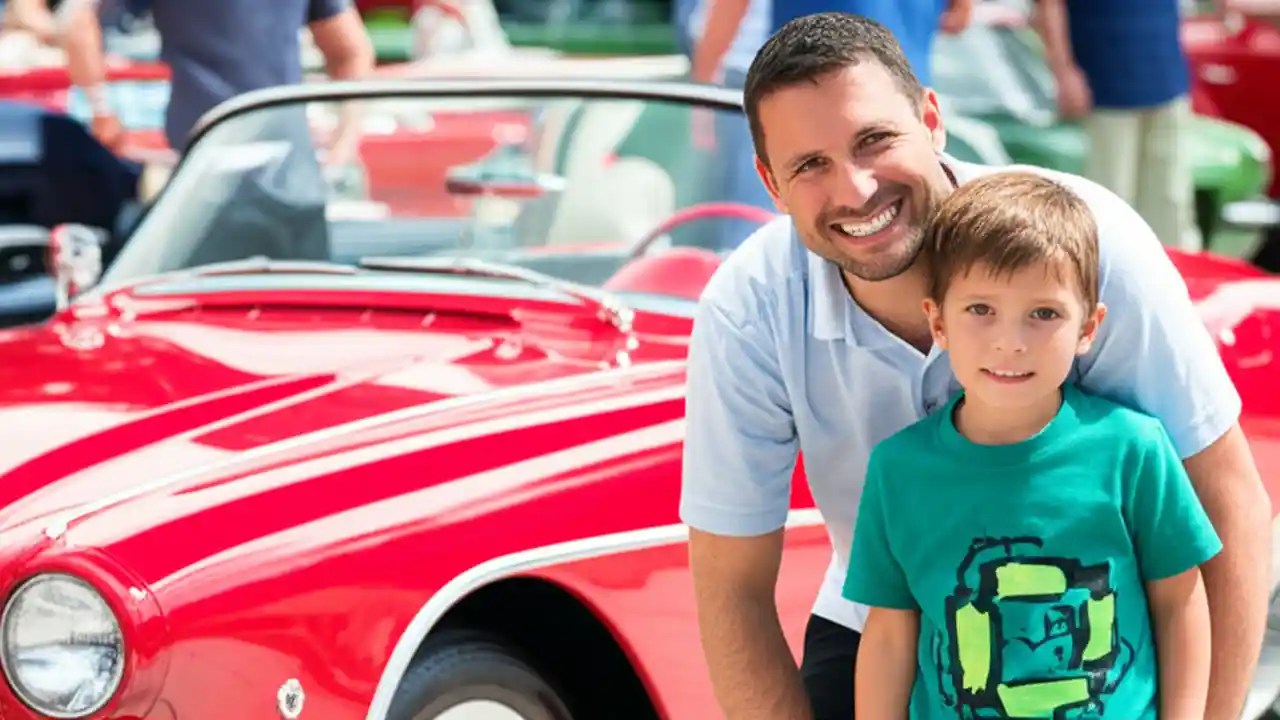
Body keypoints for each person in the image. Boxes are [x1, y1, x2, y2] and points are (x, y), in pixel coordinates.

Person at [679, 11, 1269, 720]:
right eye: (810, 165)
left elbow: (1227, 498)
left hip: (1104, 642)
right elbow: (731, 587)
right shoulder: (749, 310)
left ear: (931, 120)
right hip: (887, 619)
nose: (858, 189)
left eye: (875, 139)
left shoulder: (1087, 245)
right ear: (771, 185)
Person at [843, 170, 1220, 718]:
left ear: (1088, 327)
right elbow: (889, 635)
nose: (1010, 342)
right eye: (980, 310)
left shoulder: (1133, 450)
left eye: (1044, 314)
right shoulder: (898, 471)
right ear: (938, 321)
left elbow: (1180, 601)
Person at [1031, 0, 1201, 252]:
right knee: (1109, 202)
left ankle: (1180, 277)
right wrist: (1063, 72)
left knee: (1171, 201)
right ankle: (1105, 282)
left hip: (1165, 76)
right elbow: (1048, 6)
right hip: (1105, 85)